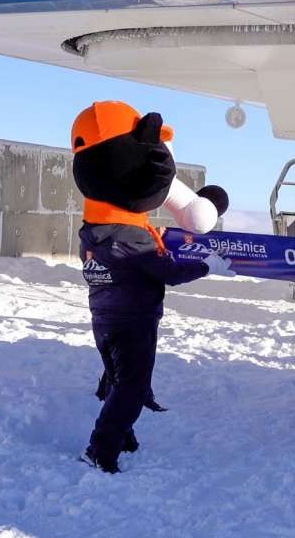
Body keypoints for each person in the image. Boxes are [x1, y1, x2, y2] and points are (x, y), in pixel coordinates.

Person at [72, 101, 234, 473]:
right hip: (131, 319)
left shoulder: (97, 231)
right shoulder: (128, 236)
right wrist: (207, 266)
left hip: (107, 316)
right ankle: (101, 449)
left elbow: (134, 257)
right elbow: (167, 271)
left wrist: (155, 239)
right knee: (131, 386)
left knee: (119, 381)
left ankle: (123, 439)